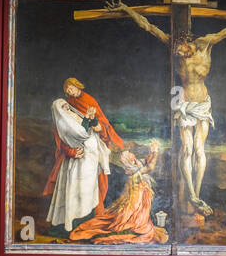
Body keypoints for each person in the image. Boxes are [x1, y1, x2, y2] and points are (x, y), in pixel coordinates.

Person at [106, 0, 226, 215]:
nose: (178, 55)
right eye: (176, 52)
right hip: (184, 104)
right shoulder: (172, 44)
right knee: (186, 150)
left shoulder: (206, 44)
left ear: (187, 43)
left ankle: (196, 193)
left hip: (203, 104)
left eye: (181, 51)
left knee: (199, 150)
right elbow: (147, 26)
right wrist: (125, 8)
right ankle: (193, 195)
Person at [44, 77, 124, 215]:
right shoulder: (65, 106)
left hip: (92, 150)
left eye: (71, 88)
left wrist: (99, 127)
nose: (70, 91)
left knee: (96, 182)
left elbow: (100, 122)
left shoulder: (89, 100)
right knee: (75, 185)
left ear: (78, 86)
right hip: (77, 153)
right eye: (67, 90)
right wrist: (71, 150)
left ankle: (93, 213)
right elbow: (62, 132)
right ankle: (76, 216)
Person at [69, 143, 168, 244]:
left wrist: (151, 151)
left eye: (129, 152)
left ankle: (139, 222)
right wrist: (155, 152)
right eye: (128, 154)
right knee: (134, 219)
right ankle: (136, 224)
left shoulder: (136, 164)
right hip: (136, 198)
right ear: (129, 160)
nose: (130, 152)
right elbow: (150, 167)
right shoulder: (132, 170)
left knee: (140, 217)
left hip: (142, 196)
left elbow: (147, 161)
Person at [43, 89, 112, 233]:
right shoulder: (61, 122)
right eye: (63, 107)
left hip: (89, 160)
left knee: (89, 190)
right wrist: (72, 151)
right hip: (78, 162)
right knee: (77, 191)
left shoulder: (73, 115)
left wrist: (90, 118)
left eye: (67, 106)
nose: (67, 108)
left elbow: (91, 129)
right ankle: (72, 223)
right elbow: (79, 135)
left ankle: (88, 220)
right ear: (58, 110)